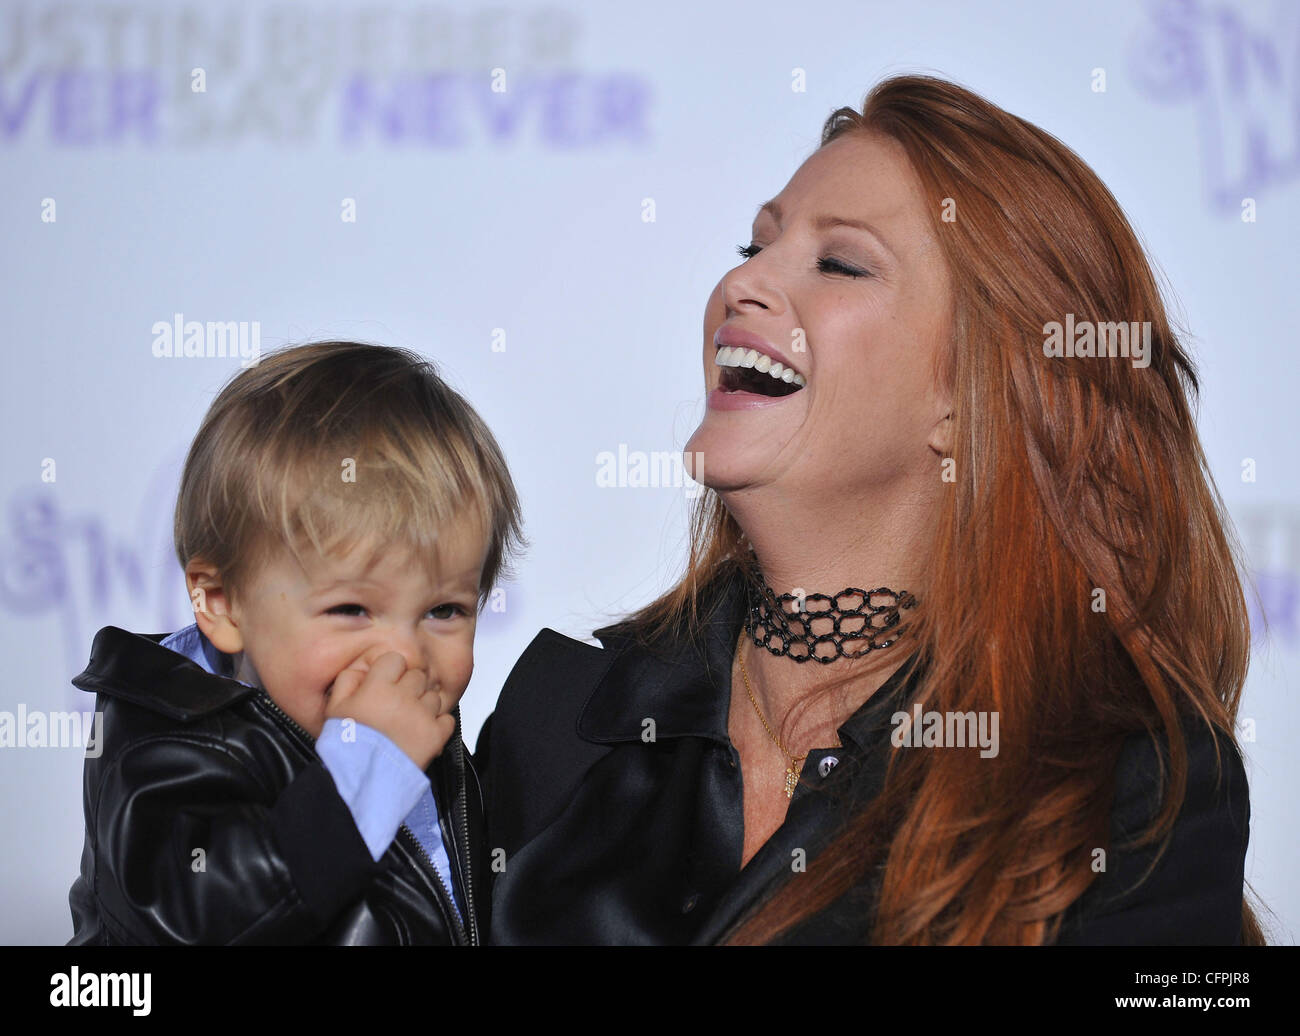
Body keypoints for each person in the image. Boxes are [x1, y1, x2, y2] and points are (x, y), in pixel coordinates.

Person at [474, 74, 1262, 944]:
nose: (744, 283)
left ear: (970, 396)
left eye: (839, 263)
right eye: (753, 245)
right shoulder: (556, 719)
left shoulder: (1122, 787)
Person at [67, 340, 525, 944]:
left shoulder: (422, 736)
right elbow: (195, 923)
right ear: (223, 604)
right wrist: (362, 773)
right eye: (351, 609)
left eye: (444, 609)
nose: (404, 656)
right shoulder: (165, 750)